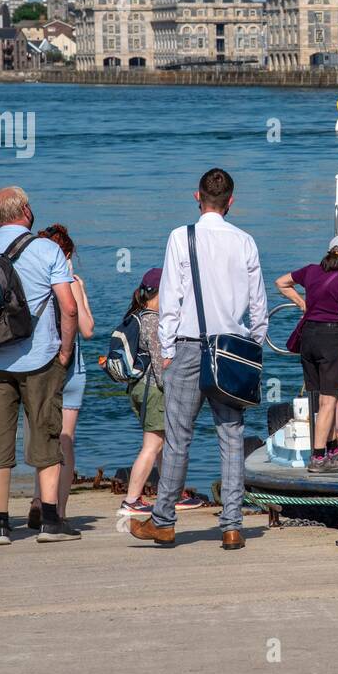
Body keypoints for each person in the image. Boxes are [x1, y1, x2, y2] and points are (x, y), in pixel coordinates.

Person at [130, 168, 267, 550]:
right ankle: (232, 524)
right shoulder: (245, 241)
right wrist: (251, 345)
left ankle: (164, 521)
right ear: (231, 202)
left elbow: (170, 298)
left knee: (177, 439)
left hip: (189, 345)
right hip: (232, 348)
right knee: (231, 436)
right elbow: (258, 307)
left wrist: (168, 350)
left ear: (197, 197)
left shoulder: (180, 237)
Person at [0, 187, 79, 545]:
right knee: (46, 434)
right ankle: (50, 521)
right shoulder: (46, 249)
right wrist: (65, 352)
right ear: (26, 211)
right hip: (39, 359)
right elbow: (69, 307)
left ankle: (0, 524)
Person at [24, 223, 94, 525]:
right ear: (66, 253)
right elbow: (87, 330)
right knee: (65, 439)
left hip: (36, 364)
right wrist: (81, 293)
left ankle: (39, 499)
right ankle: (60, 512)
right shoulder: (71, 281)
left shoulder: (30, 279)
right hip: (69, 366)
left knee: (40, 435)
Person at [276, 235, 338, 472]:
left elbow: (281, 282)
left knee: (322, 399)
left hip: (309, 337)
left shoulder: (311, 271)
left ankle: (333, 449)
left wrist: (303, 304)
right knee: (328, 401)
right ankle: (319, 457)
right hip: (331, 339)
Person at [116, 269, 166, 518]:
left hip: (138, 388)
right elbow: (159, 365)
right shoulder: (154, 320)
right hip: (153, 390)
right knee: (152, 446)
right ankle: (131, 500)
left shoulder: (138, 315)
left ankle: (169, 494)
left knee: (162, 445)